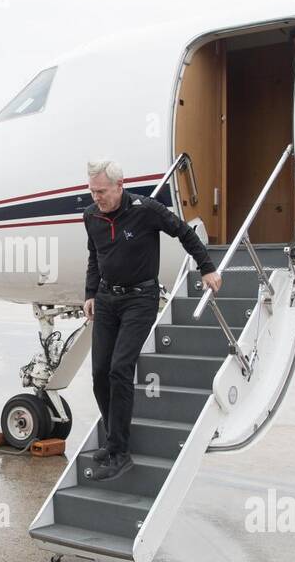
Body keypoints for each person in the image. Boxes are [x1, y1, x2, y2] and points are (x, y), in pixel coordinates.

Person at [83, 159, 221, 480]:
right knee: (100, 372)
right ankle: (113, 439)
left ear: (120, 186)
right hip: (106, 299)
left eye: (101, 191)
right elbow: (95, 255)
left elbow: (184, 232)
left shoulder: (146, 210)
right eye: (92, 191)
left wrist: (207, 267)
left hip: (139, 299)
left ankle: (119, 452)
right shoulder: (91, 216)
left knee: (120, 369)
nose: (96, 197)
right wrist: (91, 292)